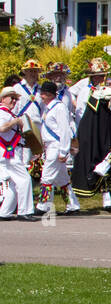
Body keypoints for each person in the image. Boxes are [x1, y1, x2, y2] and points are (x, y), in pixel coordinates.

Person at [70, 84, 111, 212]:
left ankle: (106, 200)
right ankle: (71, 203)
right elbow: (87, 136)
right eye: (105, 101)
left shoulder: (106, 114)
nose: (107, 103)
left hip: (105, 144)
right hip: (92, 147)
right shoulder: (90, 117)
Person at [33, 80, 79, 216]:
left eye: (43, 94)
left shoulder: (59, 108)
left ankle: (43, 206)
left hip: (56, 146)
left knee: (46, 177)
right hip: (50, 146)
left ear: (49, 94)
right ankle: (72, 205)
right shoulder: (49, 109)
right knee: (62, 179)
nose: (41, 96)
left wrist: (63, 151)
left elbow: (65, 130)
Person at [0, 87, 37, 220]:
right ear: (3, 99)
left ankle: (4, 212)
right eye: (11, 98)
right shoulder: (2, 113)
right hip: (9, 153)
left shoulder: (8, 114)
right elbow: (2, 128)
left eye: (15, 99)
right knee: (24, 179)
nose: (14, 101)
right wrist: (15, 121)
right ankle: (25, 211)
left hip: (13, 151)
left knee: (14, 183)